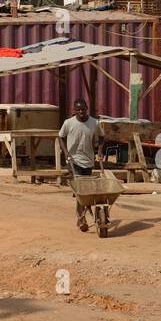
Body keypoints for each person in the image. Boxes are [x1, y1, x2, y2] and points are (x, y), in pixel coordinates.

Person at [59, 98, 102, 232]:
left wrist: (100, 151)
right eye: (78, 110)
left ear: (86, 108)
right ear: (74, 110)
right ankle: (81, 218)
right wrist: (66, 152)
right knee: (80, 191)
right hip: (74, 161)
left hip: (88, 161)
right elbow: (61, 137)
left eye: (83, 109)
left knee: (86, 191)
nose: (81, 112)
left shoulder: (94, 123)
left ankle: (83, 216)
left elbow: (102, 137)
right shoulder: (68, 123)